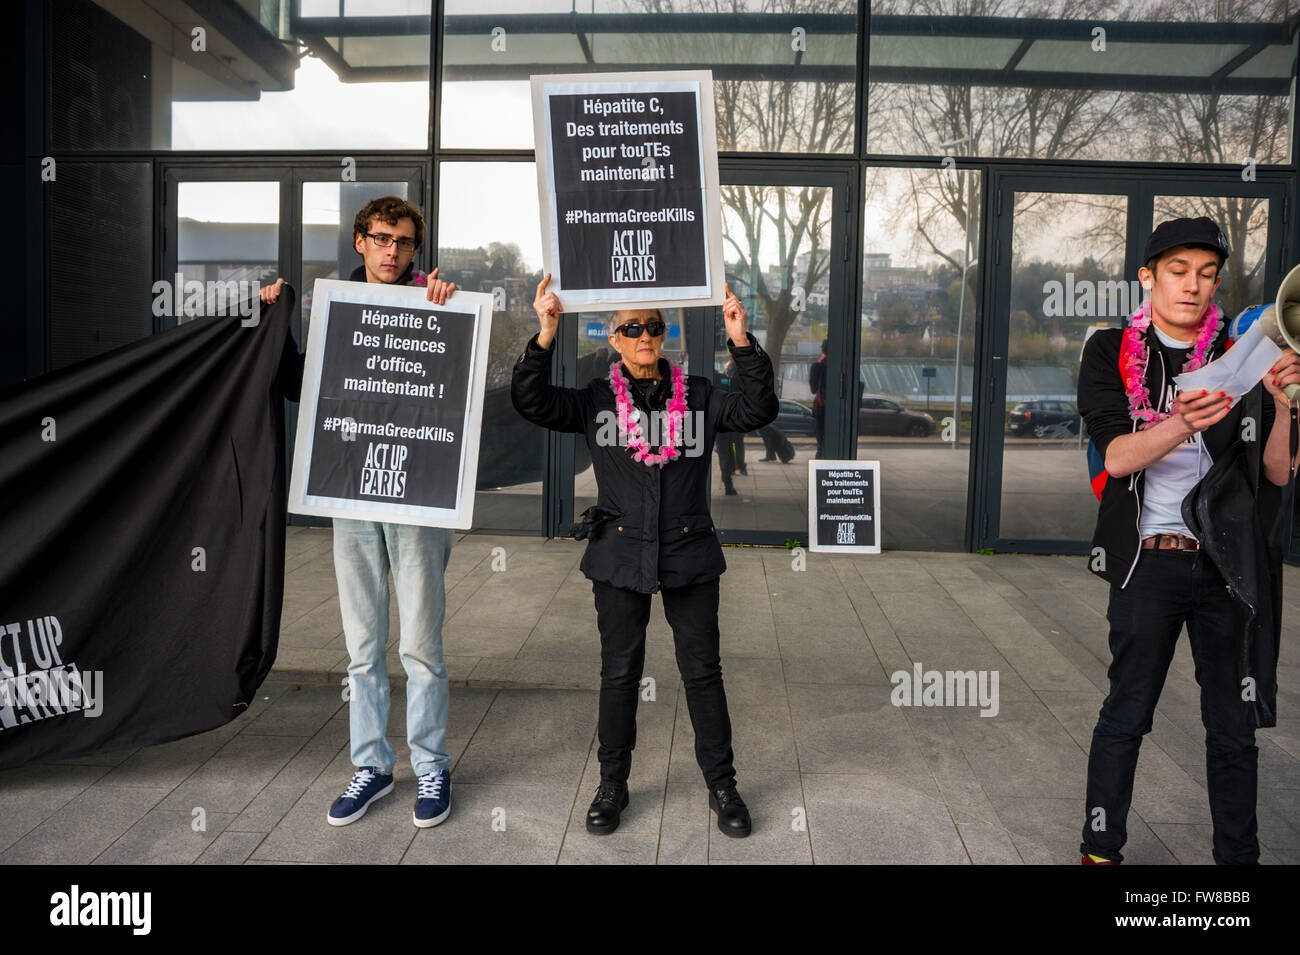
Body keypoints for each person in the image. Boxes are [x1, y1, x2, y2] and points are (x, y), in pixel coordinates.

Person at [512, 277, 778, 837]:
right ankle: (613, 783)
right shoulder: (594, 399)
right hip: (619, 554)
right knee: (620, 673)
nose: (644, 336)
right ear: (613, 338)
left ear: (665, 334)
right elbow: (531, 401)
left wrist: (742, 341)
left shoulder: (700, 395)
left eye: (654, 326)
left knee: (703, 673)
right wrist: (545, 334)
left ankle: (722, 784)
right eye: (632, 328)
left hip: (689, 551)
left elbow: (758, 408)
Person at [1076, 216, 1298, 865]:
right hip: (1148, 563)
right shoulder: (1110, 350)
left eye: (1206, 274)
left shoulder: (1245, 352)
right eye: (1178, 271)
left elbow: (1279, 471)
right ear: (1148, 277)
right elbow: (1117, 456)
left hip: (1229, 567)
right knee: (1128, 712)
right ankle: (1099, 849)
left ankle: (1239, 861)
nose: (1193, 285)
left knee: (1233, 730)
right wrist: (1179, 422)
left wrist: (1285, 402)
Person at [263, 195, 461, 829]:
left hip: (418, 497)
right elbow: (299, 383)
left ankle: (431, 763)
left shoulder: (435, 304)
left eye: (403, 242)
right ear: (360, 242)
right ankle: (372, 767)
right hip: (351, 492)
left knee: (422, 647)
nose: (391, 251)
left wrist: (453, 309)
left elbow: (454, 387)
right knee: (363, 646)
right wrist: (276, 319)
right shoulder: (336, 311)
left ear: (414, 249)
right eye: (381, 238)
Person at [810, 338, 828, 456]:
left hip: (822, 408)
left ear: (822, 350)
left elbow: (813, 389)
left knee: (821, 441)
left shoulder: (818, 366)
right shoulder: (843, 366)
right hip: (837, 411)